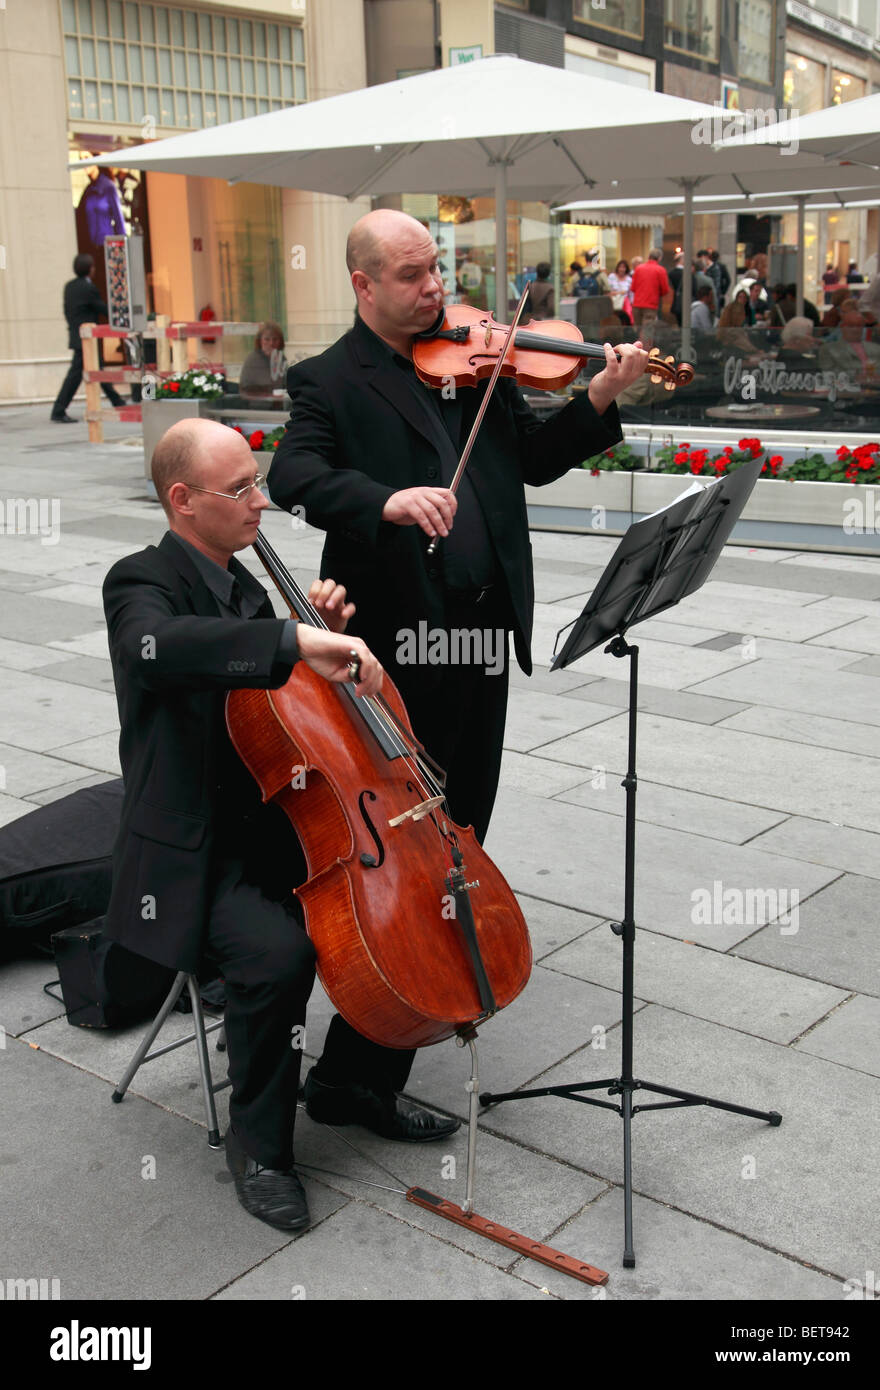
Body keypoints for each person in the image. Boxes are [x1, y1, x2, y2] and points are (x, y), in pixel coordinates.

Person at [266, 208, 647, 1096]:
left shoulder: (474, 359)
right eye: (410, 275)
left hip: (480, 634)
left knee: (463, 825)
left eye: (436, 268)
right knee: (409, 846)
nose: (435, 288)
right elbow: (294, 476)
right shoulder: (328, 378)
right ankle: (357, 1075)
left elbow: (534, 460)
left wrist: (598, 395)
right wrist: (385, 501)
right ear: (363, 285)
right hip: (396, 648)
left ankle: (392, 1036)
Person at [102, 417, 457, 1234]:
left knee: (404, 911)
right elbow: (162, 646)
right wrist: (293, 636)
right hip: (195, 854)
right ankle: (260, 1152)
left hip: (284, 827)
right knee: (277, 952)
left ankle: (357, 1084)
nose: (263, 502)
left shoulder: (247, 585)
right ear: (184, 502)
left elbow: (292, 722)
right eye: (241, 490)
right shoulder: (139, 583)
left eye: (260, 481)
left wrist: (306, 623)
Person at [51, 254, 126, 423]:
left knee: (97, 371)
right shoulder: (88, 288)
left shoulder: (69, 287)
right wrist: (121, 318)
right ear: (90, 269)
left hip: (77, 335)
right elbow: (100, 307)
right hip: (85, 339)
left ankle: (118, 402)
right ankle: (58, 410)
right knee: (76, 376)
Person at [239, 321, 287, 394]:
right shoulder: (252, 359)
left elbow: (284, 384)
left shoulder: (282, 358)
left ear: (280, 341)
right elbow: (246, 387)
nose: (271, 343)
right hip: (258, 403)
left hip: (279, 402)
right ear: (260, 341)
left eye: (275, 339)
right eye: (267, 339)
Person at [630, 248, 672, 327]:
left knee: (637, 329)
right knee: (647, 330)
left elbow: (633, 288)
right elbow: (665, 289)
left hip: (637, 304)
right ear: (659, 258)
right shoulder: (660, 270)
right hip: (651, 304)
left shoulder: (638, 268)